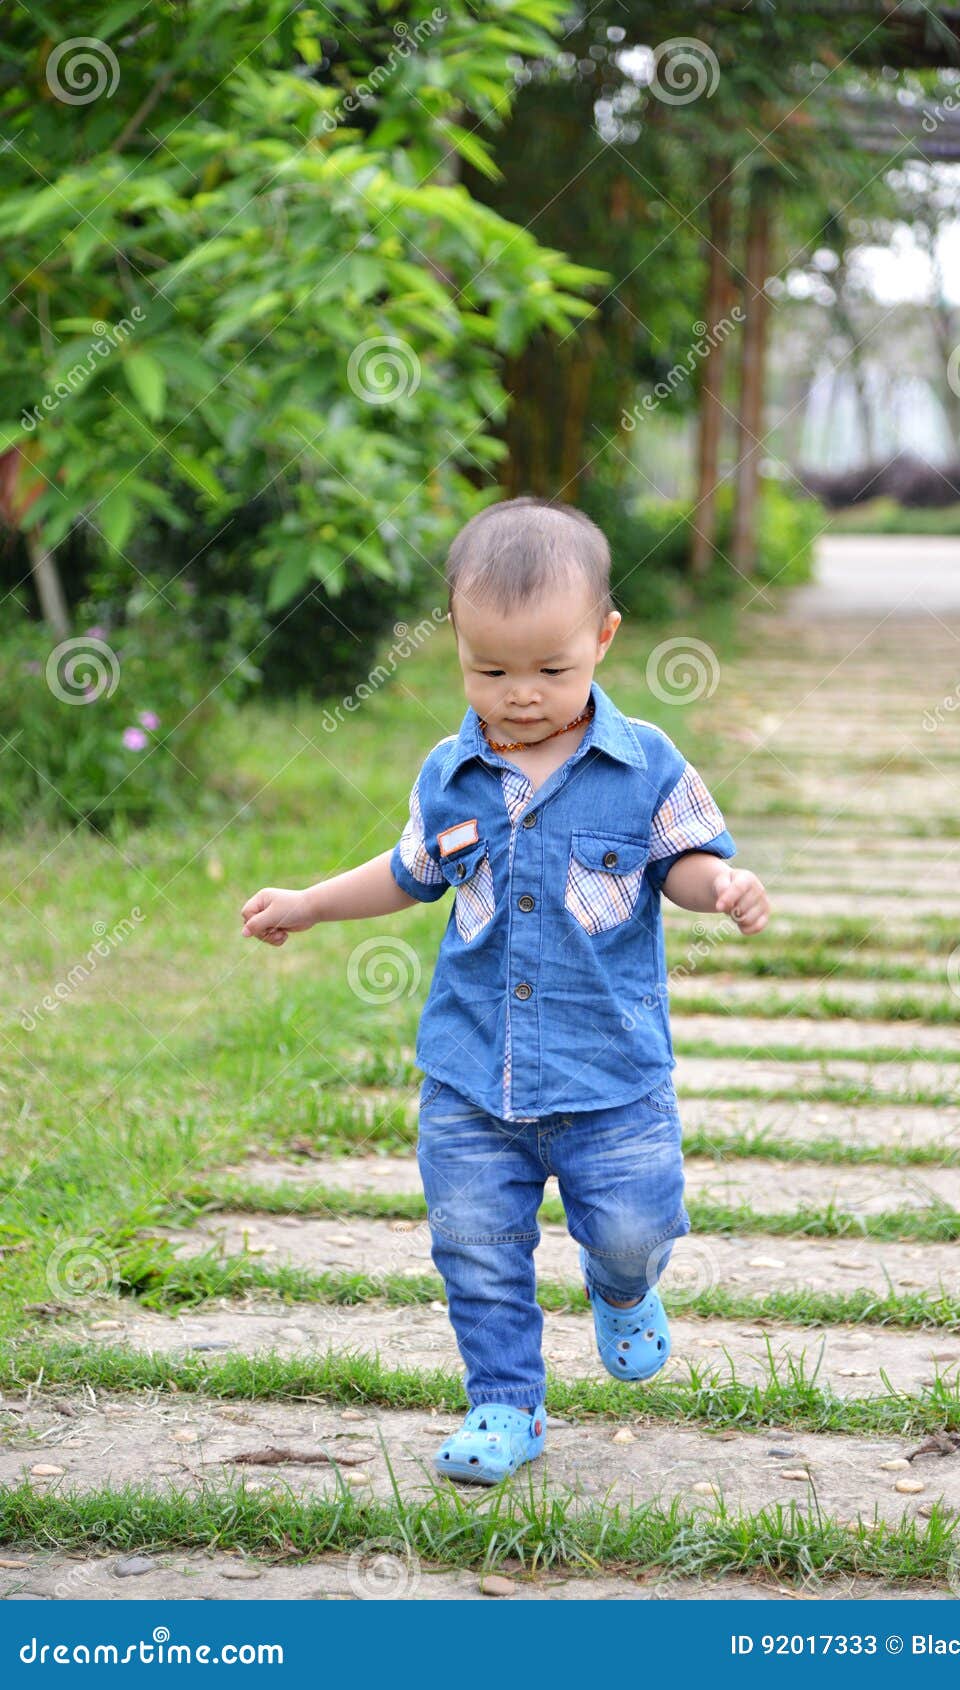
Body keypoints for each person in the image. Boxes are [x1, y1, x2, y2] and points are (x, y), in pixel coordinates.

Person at [240, 496, 770, 1486]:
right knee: (476, 1248)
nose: (520, 695)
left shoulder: (646, 765)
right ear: (456, 643)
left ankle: (622, 1288)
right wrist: (309, 904)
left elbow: (684, 860)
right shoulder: (452, 774)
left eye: (551, 670)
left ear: (603, 638)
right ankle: (504, 1402)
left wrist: (721, 889)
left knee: (635, 1226)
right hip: (472, 1074)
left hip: (611, 1078)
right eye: (490, 671)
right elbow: (409, 871)